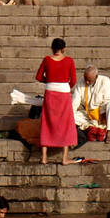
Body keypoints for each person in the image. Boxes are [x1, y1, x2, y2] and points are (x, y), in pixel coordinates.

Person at [35, 37, 77, 166]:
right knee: (66, 123)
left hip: (50, 93)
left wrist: (49, 82)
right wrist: (64, 87)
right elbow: (73, 81)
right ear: (64, 49)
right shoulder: (69, 61)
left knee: (46, 121)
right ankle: (64, 158)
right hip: (64, 93)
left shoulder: (47, 60)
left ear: (52, 48)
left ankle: (44, 157)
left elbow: (38, 77)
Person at [71, 64, 110, 143]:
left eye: (89, 80)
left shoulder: (105, 81)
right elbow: (74, 103)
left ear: (96, 77)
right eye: (85, 79)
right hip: (88, 116)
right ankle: (92, 128)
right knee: (69, 114)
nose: (86, 82)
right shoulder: (81, 82)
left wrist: (102, 116)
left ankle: (108, 132)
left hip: (102, 114)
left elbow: (108, 100)